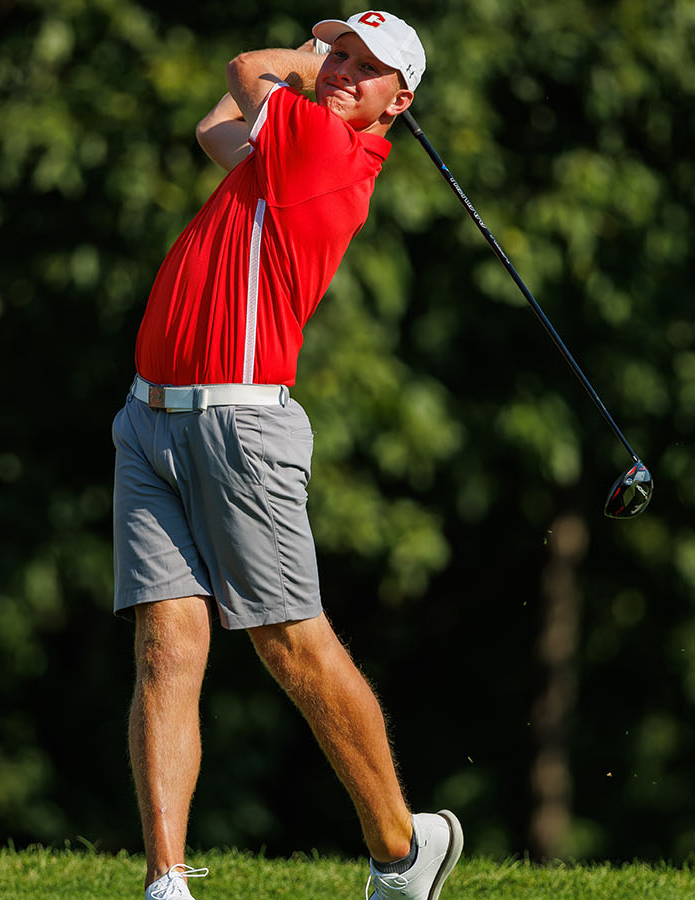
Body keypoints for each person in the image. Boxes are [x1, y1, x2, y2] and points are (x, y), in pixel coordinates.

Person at [110, 10, 463, 900]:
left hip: (239, 430)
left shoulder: (326, 150)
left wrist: (301, 62)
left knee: (290, 644)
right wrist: (310, 72)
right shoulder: (285, 149)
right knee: (165, 648)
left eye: (365, 66)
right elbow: (214, 128)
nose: (342, 69)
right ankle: (165, 883)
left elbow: (242, 68)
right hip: (150, 420)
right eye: (339, 51)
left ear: (398, 103)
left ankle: (401, 851)